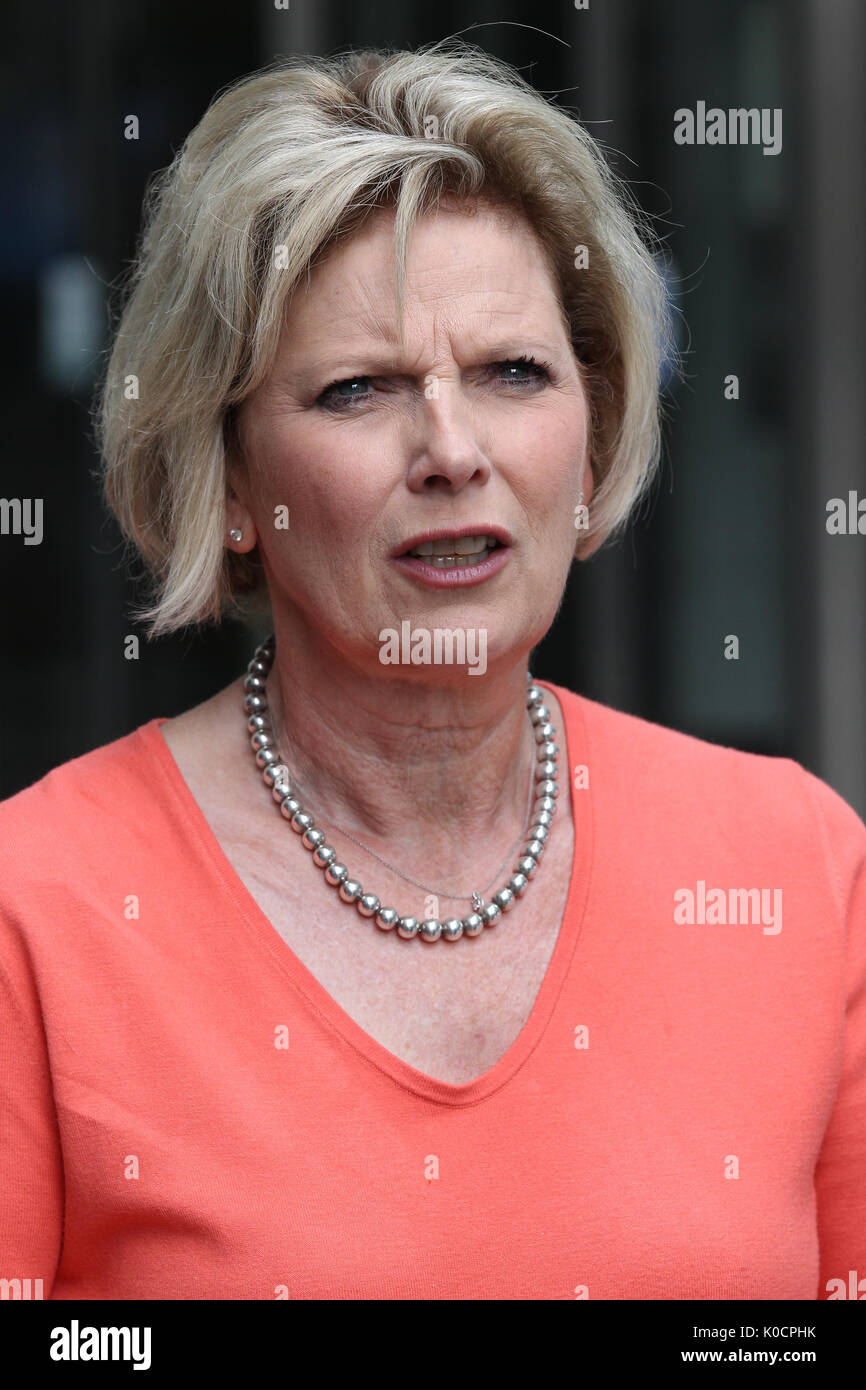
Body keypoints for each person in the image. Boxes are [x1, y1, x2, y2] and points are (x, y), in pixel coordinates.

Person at [1, 41, 863, 1302]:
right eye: (360, 390)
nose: (452, 449)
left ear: (592, 432)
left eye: (513, 372)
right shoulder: (42, 907)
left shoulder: (792, 866)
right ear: (230, 482)